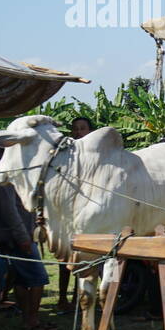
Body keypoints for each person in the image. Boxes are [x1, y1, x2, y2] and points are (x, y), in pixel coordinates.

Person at [0, 179, 57, 330]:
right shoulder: (3, 182)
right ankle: (32, 320)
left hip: (23, 235)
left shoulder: (16, 180)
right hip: (17, 237)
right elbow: (9, 212)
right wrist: (23, 237)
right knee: (39, 278)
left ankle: (29, 319)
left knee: (22, 280)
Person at [56, 117, 94, 313]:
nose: (78, 132)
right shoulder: (65, 154)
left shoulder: (96, 155)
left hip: (89, 214)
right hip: (68, 213)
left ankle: (77, 298)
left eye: (82, 129)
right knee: (65, 258)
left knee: (84, 259)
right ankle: (62, 299)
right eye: (75, 129)